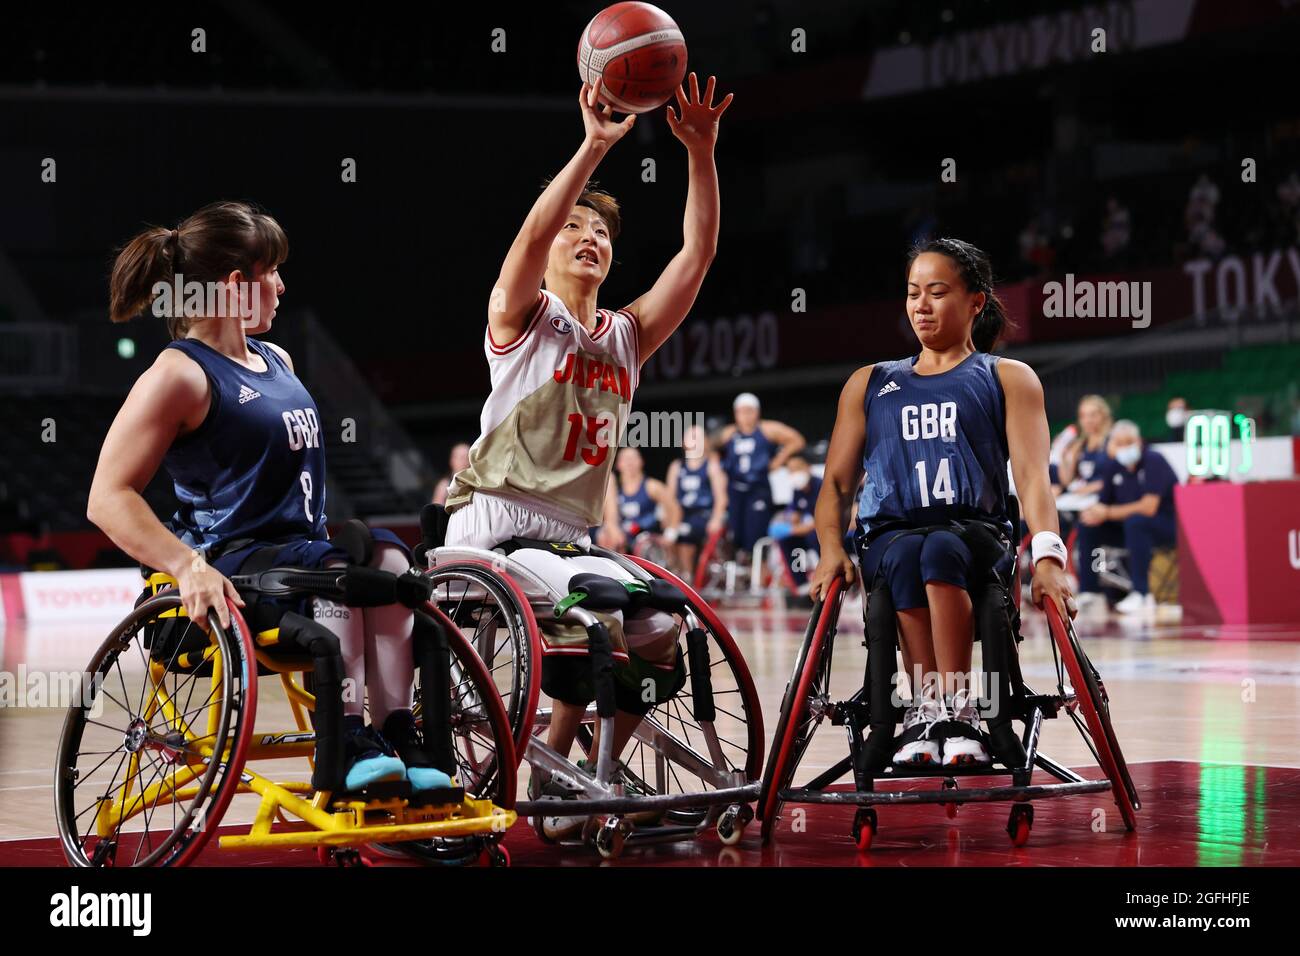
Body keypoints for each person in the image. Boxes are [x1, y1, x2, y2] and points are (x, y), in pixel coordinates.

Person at [441, 74, 732, 836]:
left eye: (601, 231)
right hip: (492, 530)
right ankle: (557, 772)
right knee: (597, 615)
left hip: (567, 540)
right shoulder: (520, 318)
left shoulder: (626, 336)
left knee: (662, 624)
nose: (590, 238)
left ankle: (593, 775)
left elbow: (697, 254)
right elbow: (530, 238)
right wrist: (594, 144)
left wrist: (699, 152)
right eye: (575, 228)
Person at [88, 200, 450, 795]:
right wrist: (185, 565)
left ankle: (397, 731)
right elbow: (106, 495)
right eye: (273, 271)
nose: (282, 286)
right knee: (340, 573)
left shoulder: (276, 359)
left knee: (387, 559)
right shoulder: (180, 374)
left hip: (301, 556)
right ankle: (353, 738)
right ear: (236, 284)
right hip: (238, 565)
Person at [810, 237, 1074, 771]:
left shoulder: (1007, 378)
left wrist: (1048, 559)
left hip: (977, 536)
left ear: (976, 302)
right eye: (912, 294)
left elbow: (1033, 480)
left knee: (942, 549)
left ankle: (960, 709)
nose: (920, 306)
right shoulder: (871, 382)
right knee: (912, 552)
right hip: (891, 536)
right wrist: (829, 548)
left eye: (936, 292)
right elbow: (837, 486)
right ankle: (926, 707)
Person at [1077, 420, 1179, 616]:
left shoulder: (1153, 460)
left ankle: (1142, 593)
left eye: (1129, 442)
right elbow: (1103, 503)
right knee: (1088, 525)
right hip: (1129, 530)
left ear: (1139, 441)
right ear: (1111, 446)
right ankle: (1089, 590)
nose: (1124, 447)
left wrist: (1106, 512)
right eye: (1119, 443)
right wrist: (1094, 512)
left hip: (1165, 527)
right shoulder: (1112, 466)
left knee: (1136, 521)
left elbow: (1149, 507)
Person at [718, 393, 805, 559]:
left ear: (757, 411)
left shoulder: (767, 429)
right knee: (736, 534)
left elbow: (796, 440)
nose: (745, 415)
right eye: (741, 411)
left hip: (758, 487)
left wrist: (777, 461)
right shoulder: (728, 433)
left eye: (749, 411)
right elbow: (709, 446)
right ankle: (742, 571)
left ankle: (759, 571)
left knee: (756, 533)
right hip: (736, 489)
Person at [664, 424, 728, 579]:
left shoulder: (712, 466)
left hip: (703, 513)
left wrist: (717, 519)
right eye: (691, 437)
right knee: (668, 537)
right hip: (681, 513)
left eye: (699, 438)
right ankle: (675, 572)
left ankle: (687, 577)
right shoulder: (677, 466)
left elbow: (721, 497)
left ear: (706, 442)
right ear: (684, 443)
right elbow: (669, 499)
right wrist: (669, 521)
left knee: (686, 534)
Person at [768, 455, 820, 606]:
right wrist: (791, 523)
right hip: (807, 531)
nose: (794, 474)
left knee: (812, 536)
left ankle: (824, 576)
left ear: (807, 468)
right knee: (786, 539)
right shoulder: (797, 491)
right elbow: (794, 515)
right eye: (790, 471)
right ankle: (801, 583)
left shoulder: (820, 485)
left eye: (797, 469)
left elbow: (828, 515)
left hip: (823, 531)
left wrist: (803, 528)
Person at [611, 447, 681, 547]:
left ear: (641, 461)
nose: (629, 462)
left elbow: (675, 508)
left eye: (633, 458)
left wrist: (670, 535)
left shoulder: (651, 486)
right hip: (624, 541)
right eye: (625, 459)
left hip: (649, 542)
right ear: (618, 464)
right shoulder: (614, 490)